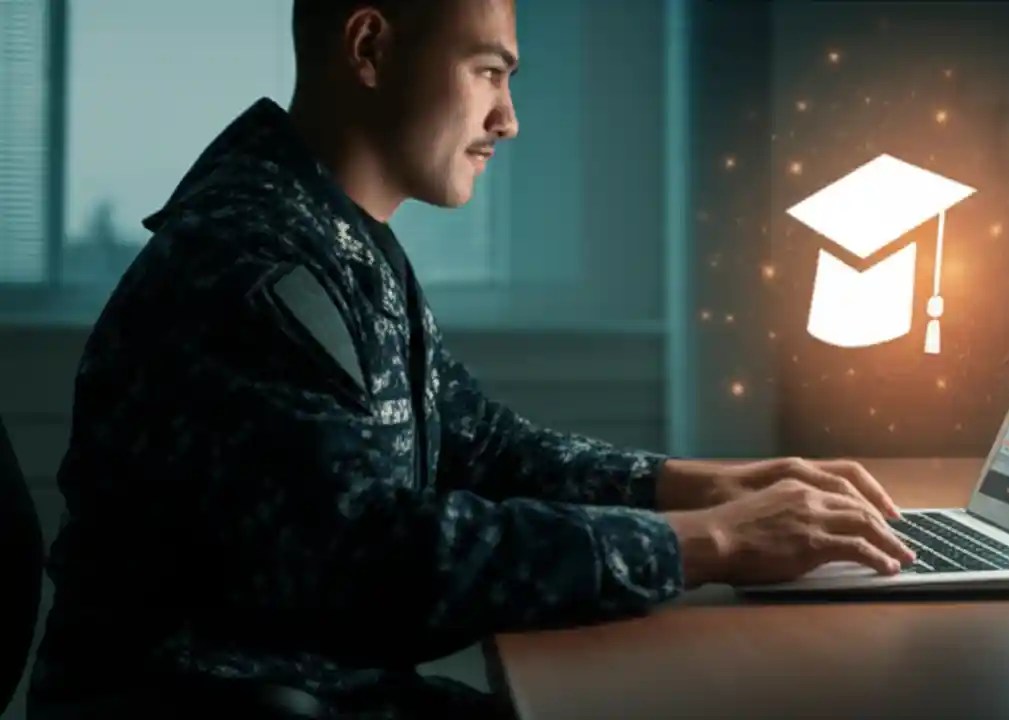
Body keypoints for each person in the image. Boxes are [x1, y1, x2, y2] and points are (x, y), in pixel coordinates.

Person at [29, 0, 915, 717]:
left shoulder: (336, 237)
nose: (509, 119)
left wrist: (701, 486)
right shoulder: (252, 263)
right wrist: (711, 543)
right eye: (488, 71)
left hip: (314, 690)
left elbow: (478, 445)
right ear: (370, 49)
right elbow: (371, 564)